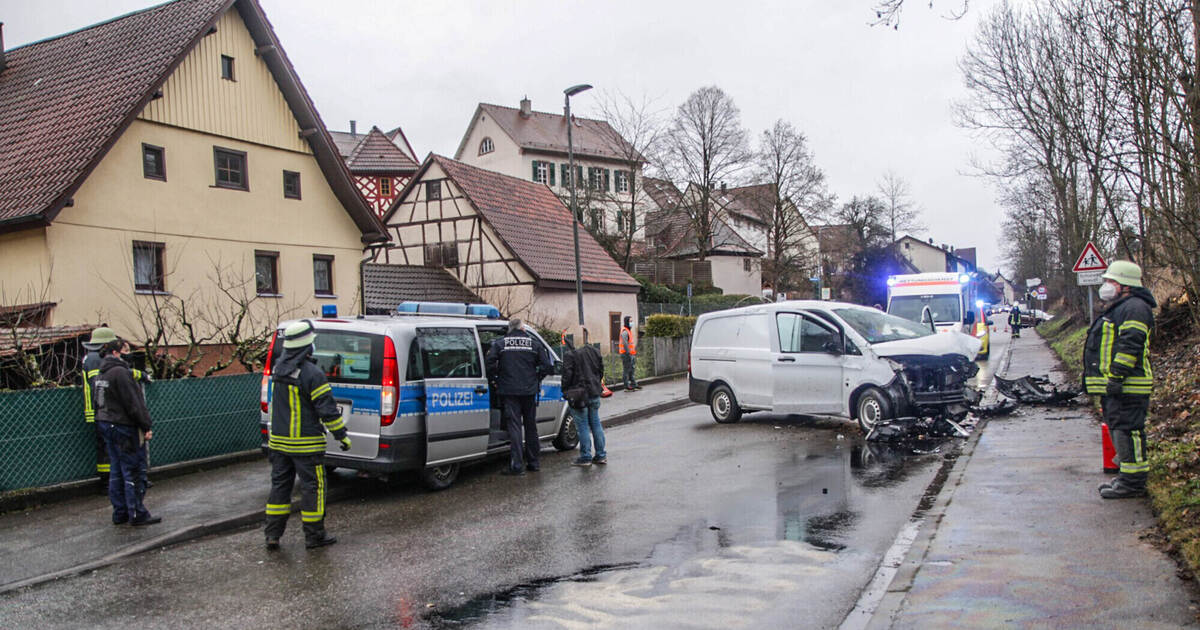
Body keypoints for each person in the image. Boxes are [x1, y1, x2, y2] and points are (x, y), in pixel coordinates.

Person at [264, 320, 349, 549]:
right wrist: (341, 435)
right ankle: (314, 536)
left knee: (280, 487)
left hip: (279, 443)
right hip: (306, 445)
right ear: (307, 346)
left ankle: (272, 535)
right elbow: (327, 410)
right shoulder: (312, 374)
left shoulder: (278, 370)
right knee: (313, 489)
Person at [1084, 260, 1155, 499]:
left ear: (1125, 285)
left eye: (1110, 281)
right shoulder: (1123, 306)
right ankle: (1126, 477)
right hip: (1119, 385)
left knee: (1128, 431)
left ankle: (1133, 483)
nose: (1106, 285)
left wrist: (1116, 376)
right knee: (1120, 430)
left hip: (1128, 384)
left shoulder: (1134, 308)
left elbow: (1129, 346)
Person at [93, 337, 159, 526]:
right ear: (116, 352)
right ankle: (137, 513)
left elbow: (99, 402)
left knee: (117, 470)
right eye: (126, 350)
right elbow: (134, 404)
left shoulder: (101, 373)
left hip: (107, 424)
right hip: (124, 427)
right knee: (133, 470)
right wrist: (146, 426)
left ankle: (120, 512)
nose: (128, 354)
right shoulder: (120, 373)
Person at [486, 317, 553, 476]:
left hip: (509, 392)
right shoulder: (534, 344)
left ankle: (516, 465)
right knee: (531, 426)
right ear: (523, 329)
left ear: (510, 329)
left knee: (515, 427)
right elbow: (547, 367)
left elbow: (489, 363)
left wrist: (496, 380)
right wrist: (536, 379)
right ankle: (534, 463)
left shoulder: (500, 344)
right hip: (529, 392)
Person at [562, 328, 606, 467]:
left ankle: (586, 456)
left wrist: (565, 390)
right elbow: (600, 371)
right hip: (593, 392)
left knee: (582, 426)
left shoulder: (571, 355)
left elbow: (567, 375)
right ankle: (600, 455)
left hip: (578, 395)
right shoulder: (594, 351)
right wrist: (596, 384)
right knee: (596, 424)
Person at [618, 316, 641, 391]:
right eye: (630, 321)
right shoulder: (625, 331)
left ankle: (633, 384)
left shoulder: (628, 330)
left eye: (632, 321)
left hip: (630, 354)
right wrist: (628, 353)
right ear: (627, 322)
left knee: (631, 369)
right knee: (626, 370)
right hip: (626, 354)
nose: (632, 322)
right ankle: (626, 386)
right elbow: (625, 343)